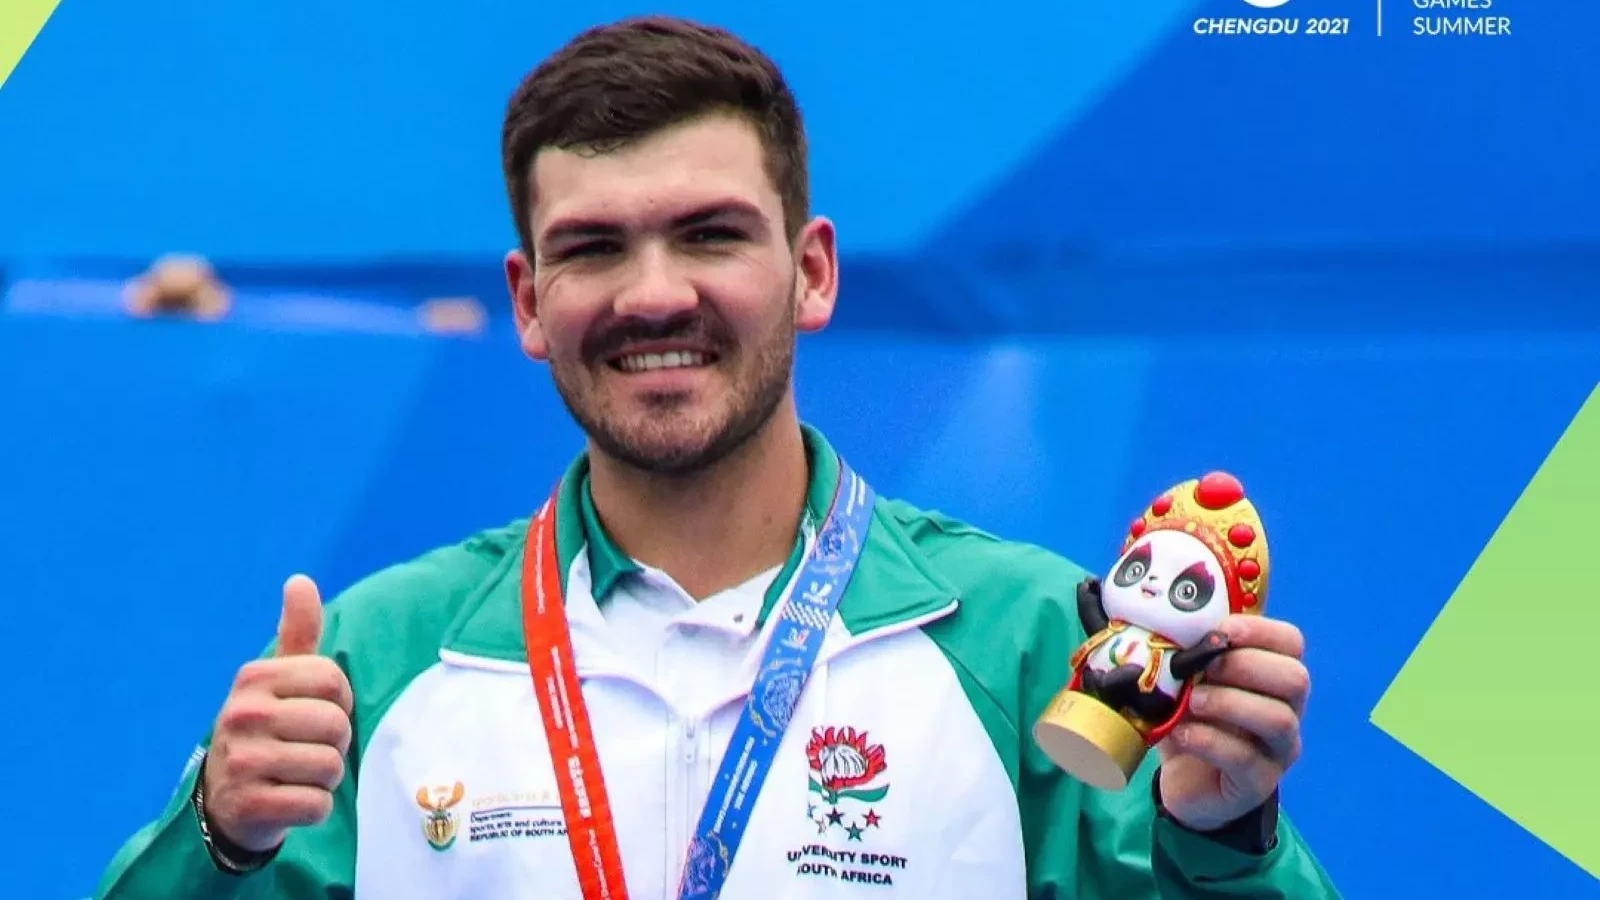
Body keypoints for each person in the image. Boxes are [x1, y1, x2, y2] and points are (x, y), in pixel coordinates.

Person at [92, 14, 1343, 900]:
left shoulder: (1020, 642)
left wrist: (1221, 838)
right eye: (592, 249)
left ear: (810, 272)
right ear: (527, 303)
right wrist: (223, 843)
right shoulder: (384, 655)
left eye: (708, 234)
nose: (652, 295)